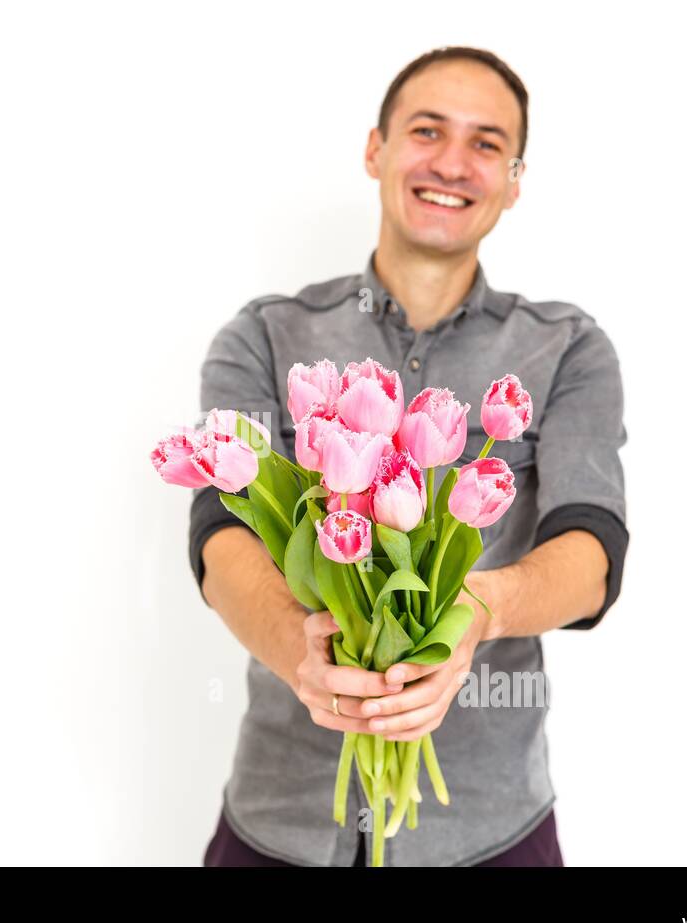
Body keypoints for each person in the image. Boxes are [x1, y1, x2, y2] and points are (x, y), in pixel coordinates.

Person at [189, 46, 629, 866]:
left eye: (487, 143)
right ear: (376, 149)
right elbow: (221, 532)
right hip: (281, 816)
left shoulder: (566, 349)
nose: (453, 164)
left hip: (489, 826)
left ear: (515, 180)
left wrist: (475, 613)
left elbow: (593, 548)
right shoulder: (265, 336)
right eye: (427, 131)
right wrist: (298, 649)